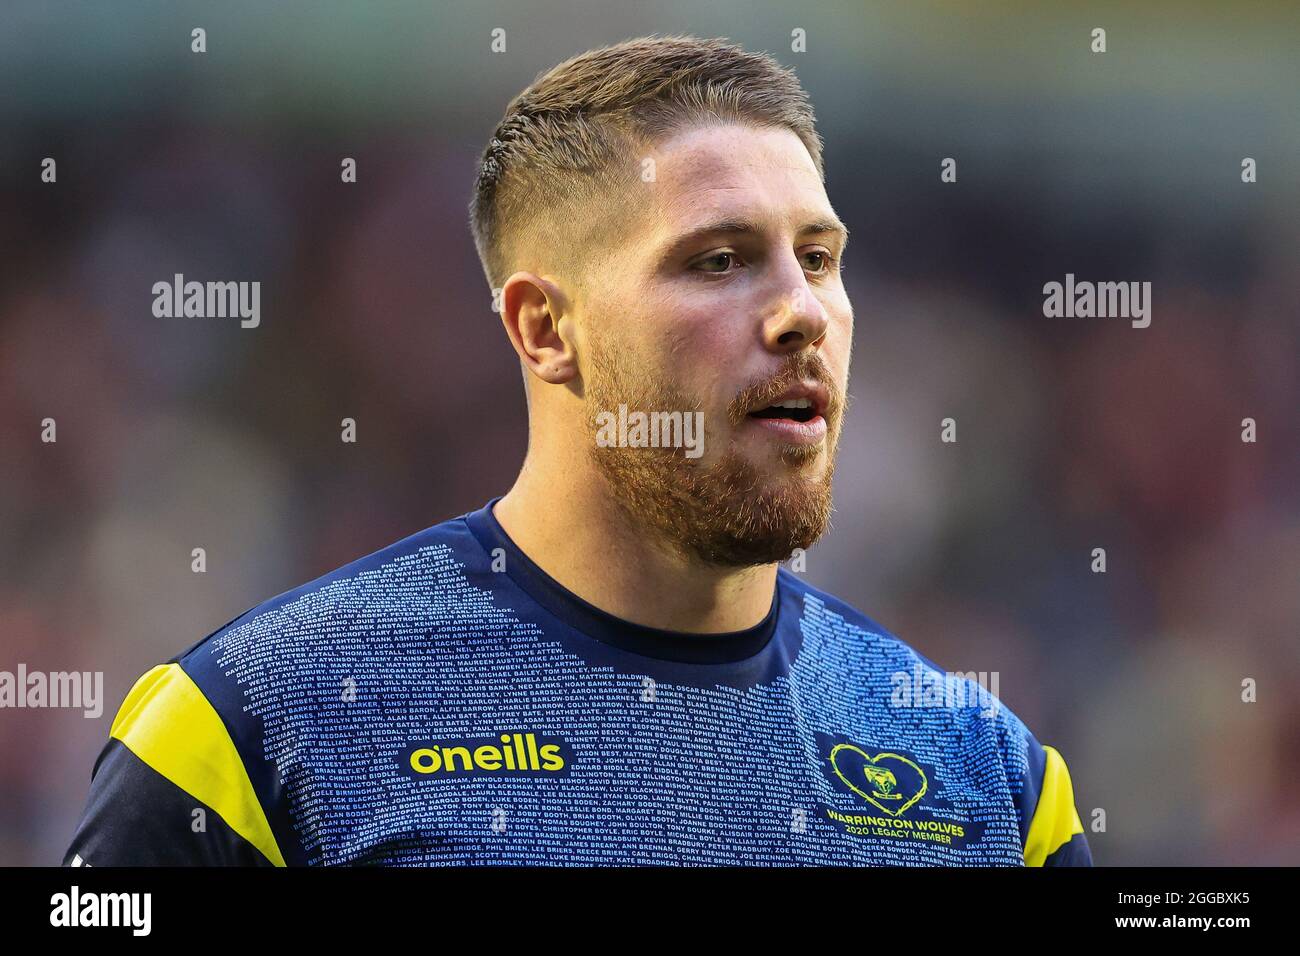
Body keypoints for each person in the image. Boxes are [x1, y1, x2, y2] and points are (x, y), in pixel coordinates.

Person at [63, 34, 1090, 866]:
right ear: (545, 330)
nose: (799, 313)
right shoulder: (252, 730)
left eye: (818, 258)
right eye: (719, 259)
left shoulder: (988, 778)